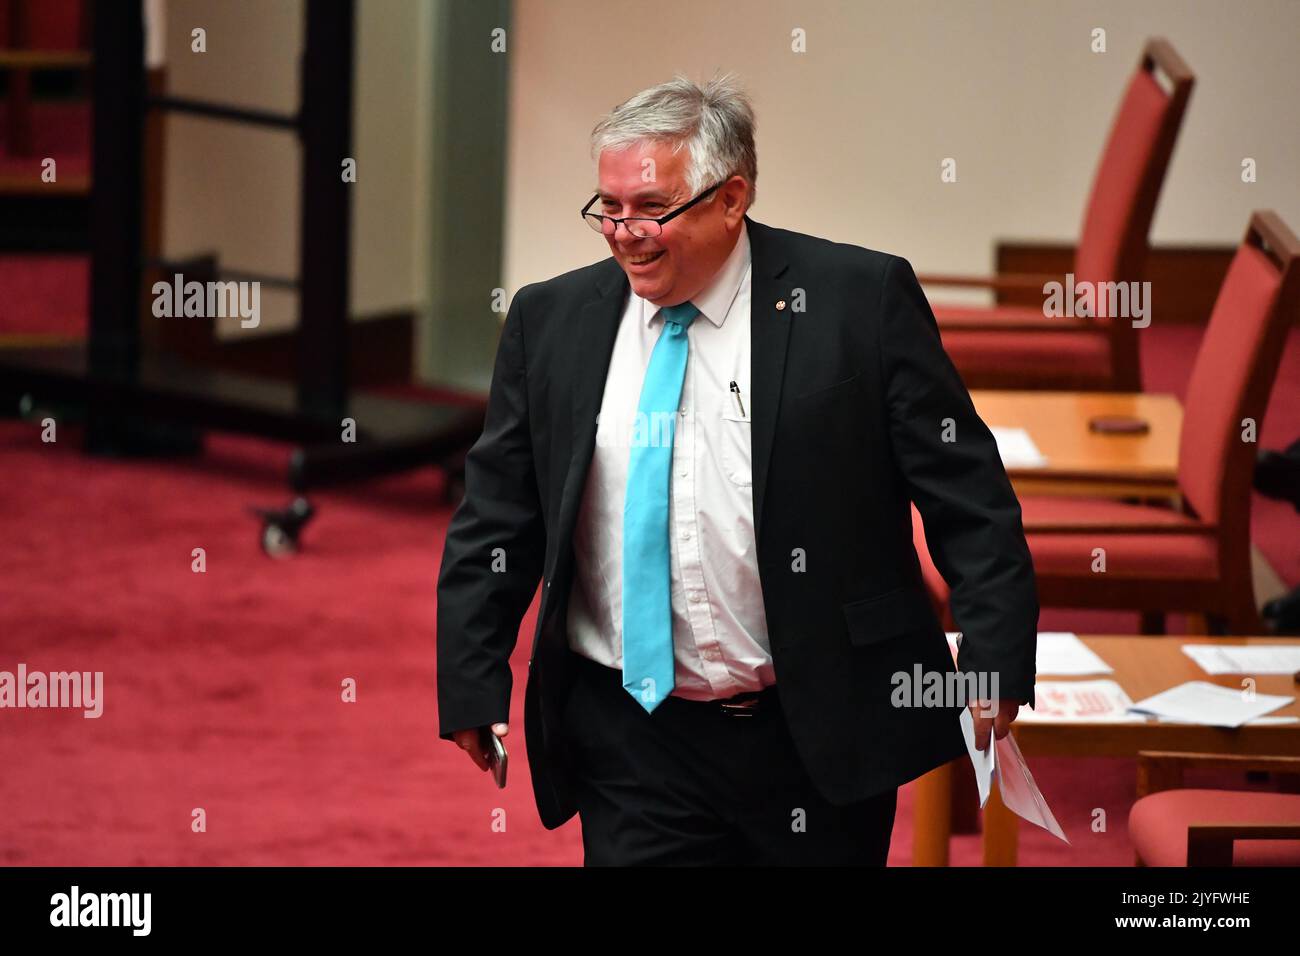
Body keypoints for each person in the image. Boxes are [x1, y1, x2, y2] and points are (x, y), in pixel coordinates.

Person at [437, 74, 1038, 865]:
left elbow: (967, 494)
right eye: (608, 209)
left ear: (732, 197)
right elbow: (500, 513)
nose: (626, 233)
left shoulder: (858, 302)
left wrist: (994, 654)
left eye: (652, 208)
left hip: (815, 728)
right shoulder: (552, 322)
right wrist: (472, 675)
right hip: (631, 737)